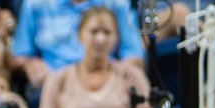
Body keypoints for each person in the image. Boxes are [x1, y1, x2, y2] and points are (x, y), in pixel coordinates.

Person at [12, 0, 145, 88]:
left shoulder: (117, 3)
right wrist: (29, 65)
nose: (100, 38)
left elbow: (134, 55)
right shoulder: (35, 4)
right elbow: (20, 54)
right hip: (54, 82)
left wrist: (113, 79)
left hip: (107, 81)